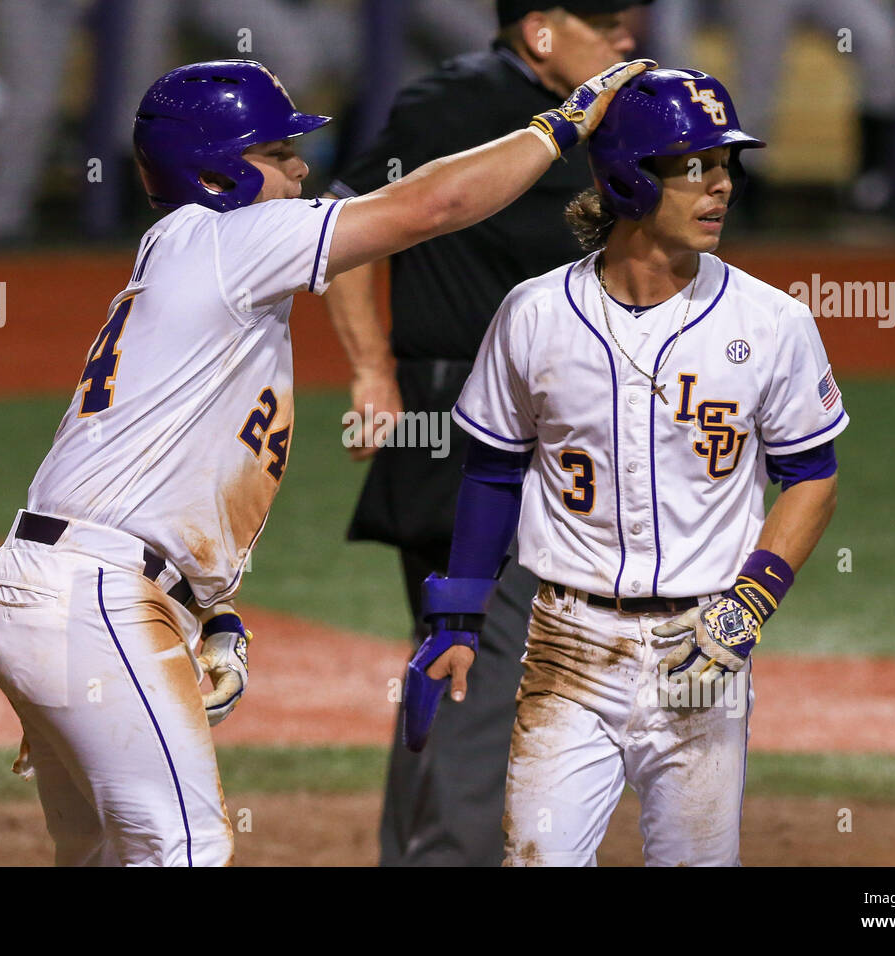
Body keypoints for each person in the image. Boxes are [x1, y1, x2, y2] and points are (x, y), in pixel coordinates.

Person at [0, 55, 653, 867]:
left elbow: (149, 473)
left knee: (109, 855)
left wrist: (208, 609)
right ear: (218, 175)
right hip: (92, 596)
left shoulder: (199, 265)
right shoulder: (224, 239)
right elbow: (429, 206)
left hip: (65, 589)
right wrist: (560, 126)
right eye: (278, 153)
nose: (302, 167)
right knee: (185, 848)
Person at [405, 67, 845, 866]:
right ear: (629, 180)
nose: (722, 187)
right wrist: (459, 614)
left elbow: (812, 473)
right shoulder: (535, 314)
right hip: (569, 647)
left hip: (703, 647)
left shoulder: (773, 321)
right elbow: (494, 471)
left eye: (727, 167)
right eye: (695, 167)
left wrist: (750, 603)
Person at [323, 0, 650, 867]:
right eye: (608, 23)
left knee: (455, 656)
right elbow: (345, 218)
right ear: (540, 29)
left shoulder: (593, 115)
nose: (628, 39)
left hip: (518, 431)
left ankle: (419, 853)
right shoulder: (463, 98)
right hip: (461, 432)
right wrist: (371, 370)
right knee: (497, 662)